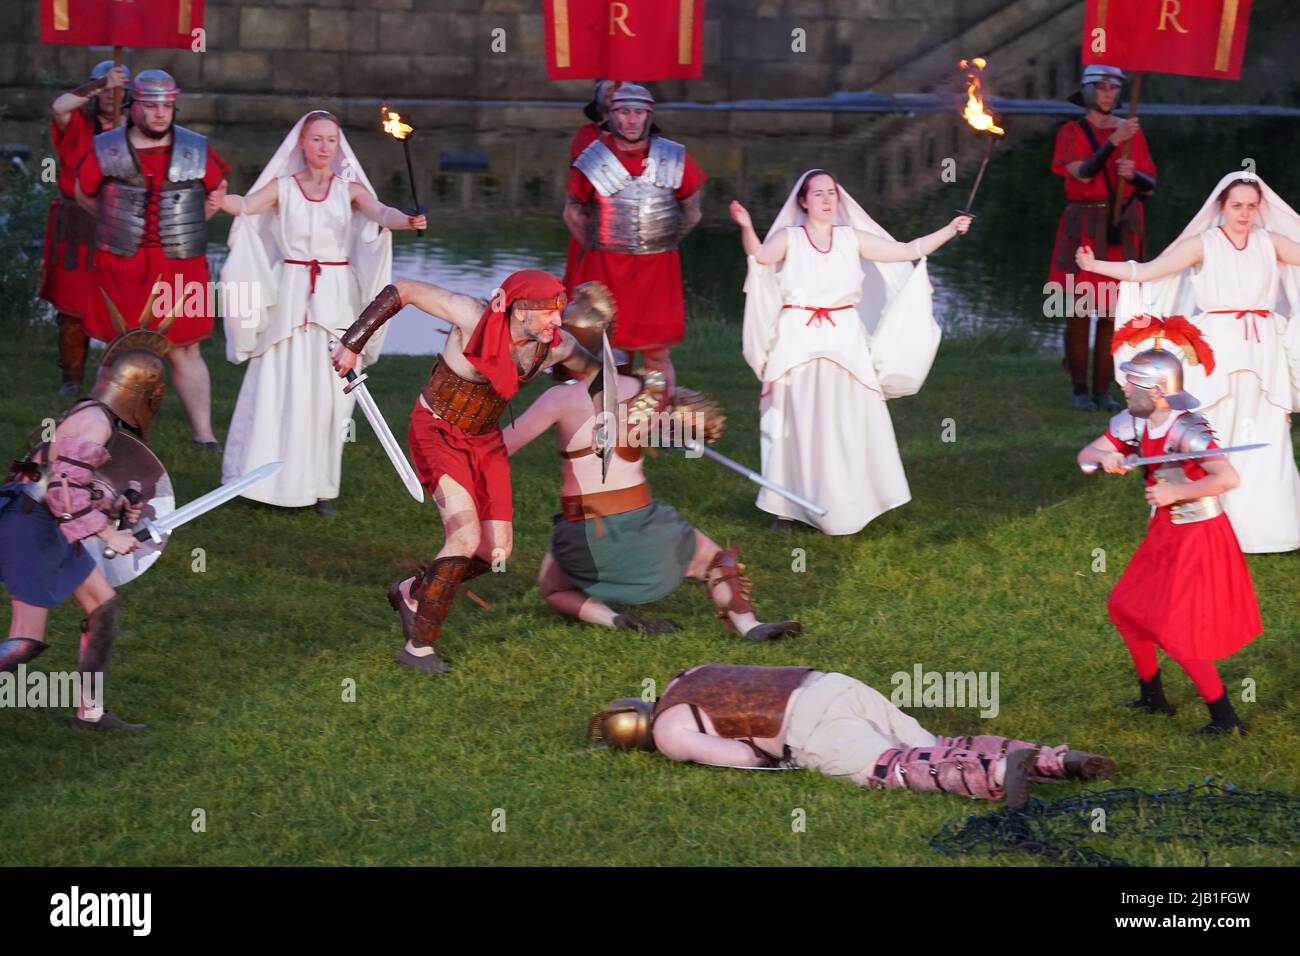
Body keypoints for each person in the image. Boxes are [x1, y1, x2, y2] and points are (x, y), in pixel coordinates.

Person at [331, 270, 601, 675]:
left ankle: (413, 592)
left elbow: (597, 372)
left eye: (559, 312)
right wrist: (353, 344)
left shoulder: (556, 348)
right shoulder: (470, 316)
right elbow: (405, 290)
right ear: (518, 309)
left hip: (484, 440)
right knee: (464, 535)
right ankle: (418, 647)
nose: (557, 322)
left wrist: (615, 414)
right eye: (548, 313)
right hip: (437, 429)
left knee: (495, 553)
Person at [501, 283, 802, 641]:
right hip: (648, 528)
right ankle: (749, 624)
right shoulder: (644, 388)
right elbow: (675, 416)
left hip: (585, 536)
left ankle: (614, 619)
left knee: (552, 588)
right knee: (718, 560)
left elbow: (501, 448)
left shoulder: (558, 400)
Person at [731, 169, 969, 534]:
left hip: (844, 337)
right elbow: (760, 258)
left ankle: (845, 504)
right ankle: (788, 507)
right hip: (798, 338)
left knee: (844, 420)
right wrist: (746, 225)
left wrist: (951, 229)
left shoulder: (851, 238)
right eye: (819, 194)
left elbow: (908, 250)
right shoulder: (789, 238)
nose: (827, 200)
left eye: (832, 193)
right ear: (803, 201)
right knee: (796, 422)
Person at [1079, 171, 1300, 553]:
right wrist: (1096, 266)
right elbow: (1146, 271)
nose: (1244, 214)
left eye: (1251, 206)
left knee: (1264, 433)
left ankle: (1263, 532)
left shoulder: (1271, 242)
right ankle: (1196, 520)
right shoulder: (1204, 244)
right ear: (1221, 206)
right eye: (1237, 206)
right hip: (1215, 350)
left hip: (1263, 350)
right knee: (1209, 432)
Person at [216, 110, 424, 515]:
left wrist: (406, 220)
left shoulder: (350, 189)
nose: (324, 147)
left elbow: (380, 214)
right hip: (291, 293)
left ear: (338, 145)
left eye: (331, 140)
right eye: (316, 139)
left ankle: (321, 485)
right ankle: (263, 482)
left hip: (334, 297)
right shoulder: (283, 187)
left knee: (330, 394)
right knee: (279, 384)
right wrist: (220, 200)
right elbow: (246, 204)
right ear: (302, 144)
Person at [589, 664, 1115, 809]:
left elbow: (738, 758)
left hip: (809, 728)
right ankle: (1051, 759)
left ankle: (1002, 772)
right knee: (928, 743)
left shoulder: (668, 730)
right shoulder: (689, 674)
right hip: (832, 685)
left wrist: (772, 760)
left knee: (896, 769)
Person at [0, 320, 174, 731]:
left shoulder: (92, 412)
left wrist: (115, 504)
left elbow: (69, 480)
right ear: (140, 394)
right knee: (25, 640)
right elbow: (62, 495)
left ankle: (90, 714)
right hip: (33, 527)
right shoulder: (96, 424)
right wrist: (109, 533)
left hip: (50, 522)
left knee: (104, 606)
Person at [1077, 347, 1260, 736]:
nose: (1123, 387)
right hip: (1164, 531)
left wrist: (1176, 493)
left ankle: (1226, 719)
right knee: (1125, 608)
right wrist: (1105, 458)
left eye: (1132, 382)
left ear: (1157, 390)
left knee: (1178, 631)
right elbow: (1086, 457)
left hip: (1198, 535)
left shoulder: (1186, 428)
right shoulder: (1135, 421)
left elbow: (1227, 479)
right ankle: (1153, 699)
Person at [76, 69, 230, 450]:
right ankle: (101, 428)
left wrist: (198, 219)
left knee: (186, 349)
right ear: (134, 106)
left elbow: (218, 188)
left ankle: (204, 435)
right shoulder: (106, 147)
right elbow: (84, 193)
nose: (160, 113)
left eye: (167, 105)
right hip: (121, 264)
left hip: (180, 262)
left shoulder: (195, 147)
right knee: (119, 349)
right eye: (151, 106)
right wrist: (113, 223)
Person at [563, 83, 706, 398]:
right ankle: (605, 417)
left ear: (648, 116)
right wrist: (597, 245)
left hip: (658, 269)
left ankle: (659, 418)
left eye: (638, 112)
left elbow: (692, 212)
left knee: (657, 354)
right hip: (606, 267)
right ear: (611, 116)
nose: (631, 120)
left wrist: (664, 238)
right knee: (605, 349)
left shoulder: (673, 156)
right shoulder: (593, 159)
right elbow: (572, 213)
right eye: (624, 112)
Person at [1049, 65, 1157, 412]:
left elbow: (1151, 185)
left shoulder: (1133, 133)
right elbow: (1081, 173)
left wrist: (1134, 173)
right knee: (1079, 309)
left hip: (1123, 221)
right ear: (1088, 91)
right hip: (1084, 221)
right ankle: (1079, 388)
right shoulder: (1071, 131)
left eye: (1115, 88)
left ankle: (1103, 390)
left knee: (1114, 311)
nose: (1110, 93)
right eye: (1103, 87)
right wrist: (1114, 141)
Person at [43, 60, 131, 396]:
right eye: (103, 90)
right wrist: (99, 83)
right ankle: (72, 379)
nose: (110, 96)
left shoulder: (135, 129)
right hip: (77, 223)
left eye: (116, 89)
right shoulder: (77, 124)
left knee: (122, 303)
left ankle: (119, 381)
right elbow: (58, 106)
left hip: (124, 222)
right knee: (72, 305)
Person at [562, 79, 616, 289]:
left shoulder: (645, 139)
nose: (614, 94)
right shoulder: (587, 134)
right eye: (609, 91)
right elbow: (585, 178)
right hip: (592, 223)